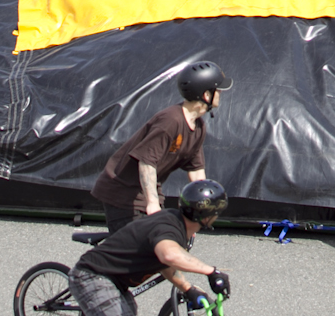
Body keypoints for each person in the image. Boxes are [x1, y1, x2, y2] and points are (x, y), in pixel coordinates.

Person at [93, 60, 233, 234]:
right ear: (206, 95)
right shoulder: (171, 121)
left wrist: (203, 209)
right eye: (218, 90)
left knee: (163, 243)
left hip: (147, 193)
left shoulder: (197, 127)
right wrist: (152, 204)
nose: (220, 94)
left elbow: (196, 171)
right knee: (142, 250)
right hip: (123, 193)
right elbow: (146, 163)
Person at [68, 177, 231, 316]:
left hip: (115, 281)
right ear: (206, 216)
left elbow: (164, 263)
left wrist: (188, 289)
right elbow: (168, 255)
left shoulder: (177, 226)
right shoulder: (169, 228)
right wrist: (210, 271)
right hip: (93, 276)